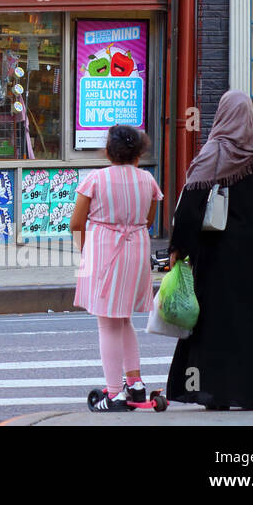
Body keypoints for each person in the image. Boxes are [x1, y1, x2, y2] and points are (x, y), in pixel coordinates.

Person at [166, 90, 253, 409]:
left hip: (219, 255)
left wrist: (179, 248)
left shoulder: (213, 153)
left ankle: (218, 392)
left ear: (222, 114)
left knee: (217, 324)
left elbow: (189, 207)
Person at [70, 125, 163, 411]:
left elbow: (76, 223)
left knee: (107, 322)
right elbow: (148, 220)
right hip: (136, 249)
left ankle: (113, 394)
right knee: (123, 320)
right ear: (139, 152)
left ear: (109, 151)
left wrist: (85, 249)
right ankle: (135, 384)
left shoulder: (95, 180)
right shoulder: (148, 181)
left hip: (104, 250)